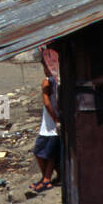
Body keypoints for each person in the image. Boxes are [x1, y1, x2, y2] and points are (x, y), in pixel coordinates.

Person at [29, 60, 60, 195]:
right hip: (51, 124)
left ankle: (46, 179)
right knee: (48, 154)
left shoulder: (47, 82)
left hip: (51, 126)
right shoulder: (55, 81)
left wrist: (55, 118)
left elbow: (47, 103)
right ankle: (45, 178)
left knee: (40, 152)